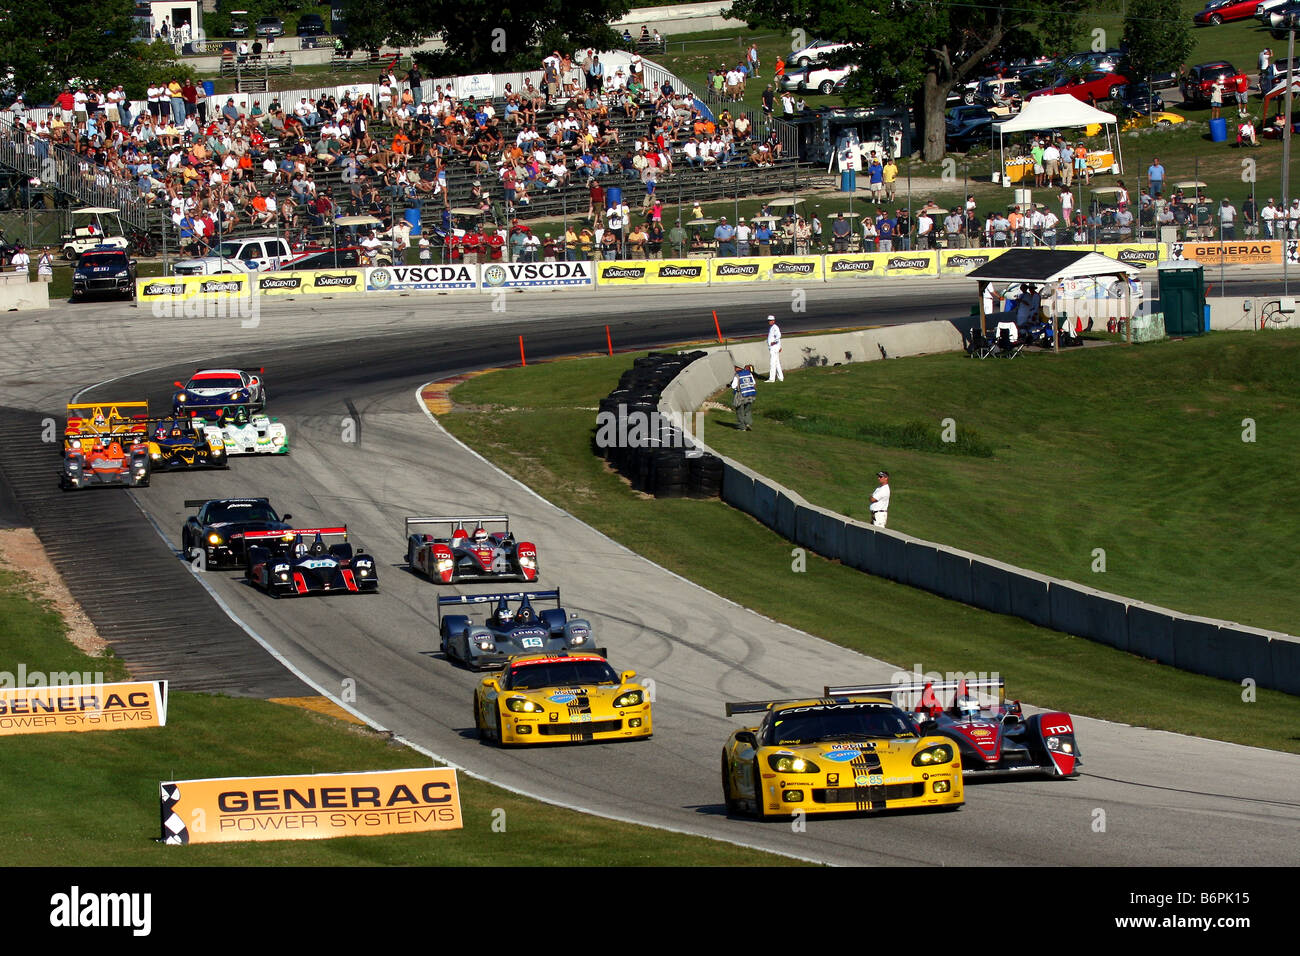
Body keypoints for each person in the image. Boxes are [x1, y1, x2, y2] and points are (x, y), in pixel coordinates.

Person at [730, 364, 757, 430]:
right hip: (750, 394)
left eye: (735, 367)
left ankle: (742, 427)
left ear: (738, 368)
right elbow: (754, 383)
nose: (735, 369)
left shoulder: (737, 375)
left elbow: (733, 386)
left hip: (741, 395)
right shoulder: (749, 374)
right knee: (747, 410)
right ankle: (748, 423)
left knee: (740, 411)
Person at [766, 314, 783, 382]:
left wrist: (774, 342)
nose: (769, 321)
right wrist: (780, 346)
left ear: (773, 321)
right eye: (769, 320)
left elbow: (779, 335)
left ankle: (772, 379)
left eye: (770, 320)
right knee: (777, 363)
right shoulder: (772, 327)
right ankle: (781, 378)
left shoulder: (775, 327)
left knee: (772, 363)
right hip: (774, 347)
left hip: (774, 347)